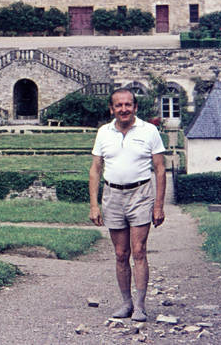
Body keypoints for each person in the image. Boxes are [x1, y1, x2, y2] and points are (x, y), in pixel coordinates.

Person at [89, 88, 165, 322]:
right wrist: (94, 204)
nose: (124, 109)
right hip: (113, 195)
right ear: (112, 109)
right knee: (121, 253)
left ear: (135, 107)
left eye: (128, 105)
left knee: (139, 251)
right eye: (119, 105)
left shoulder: (149, 131)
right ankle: (126, 303)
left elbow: (160, 169)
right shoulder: (104, 132)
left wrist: (159, 206)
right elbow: (95, 169)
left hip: (140, 194)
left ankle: (140, 306)